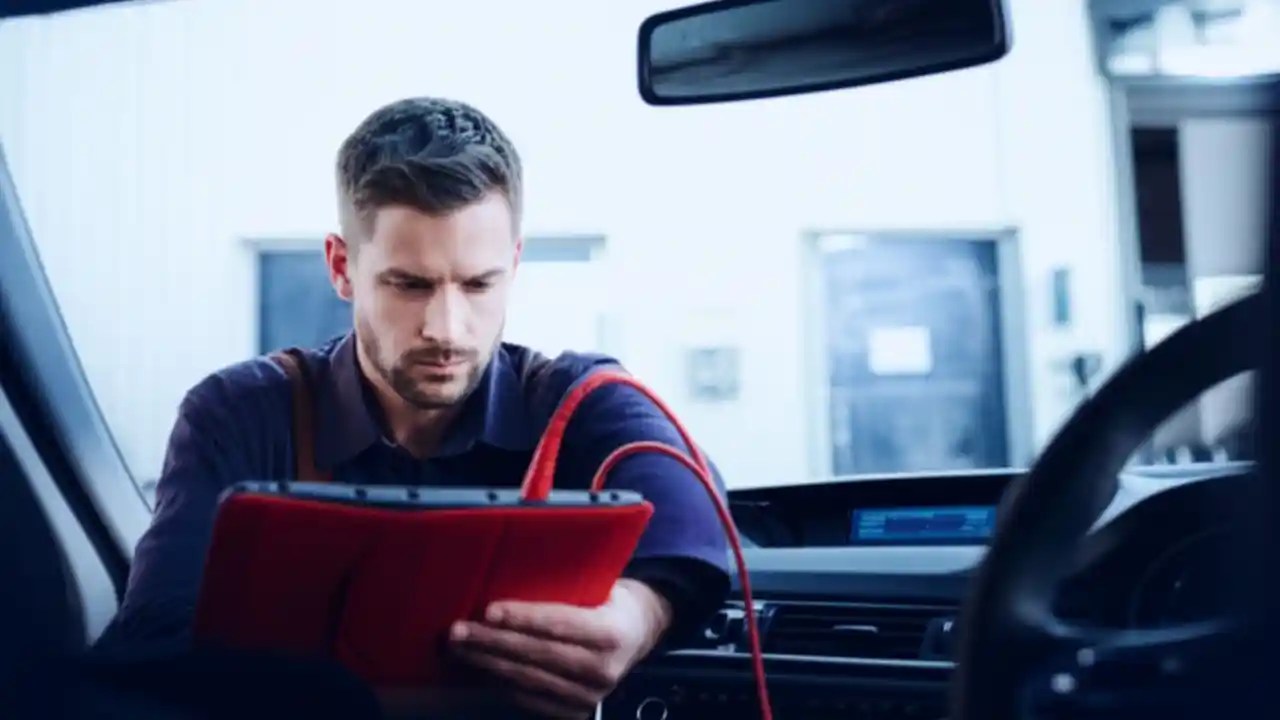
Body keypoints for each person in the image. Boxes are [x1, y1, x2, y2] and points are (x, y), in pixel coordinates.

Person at [95, 97, 731, 718]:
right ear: (342, 267)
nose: (447, 328)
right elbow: (154, 645)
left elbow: (694, 499)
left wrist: (635, 617)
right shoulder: (238, 415)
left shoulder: (575, 401)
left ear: (513, 264)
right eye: (409, 284)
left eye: (479, 284)